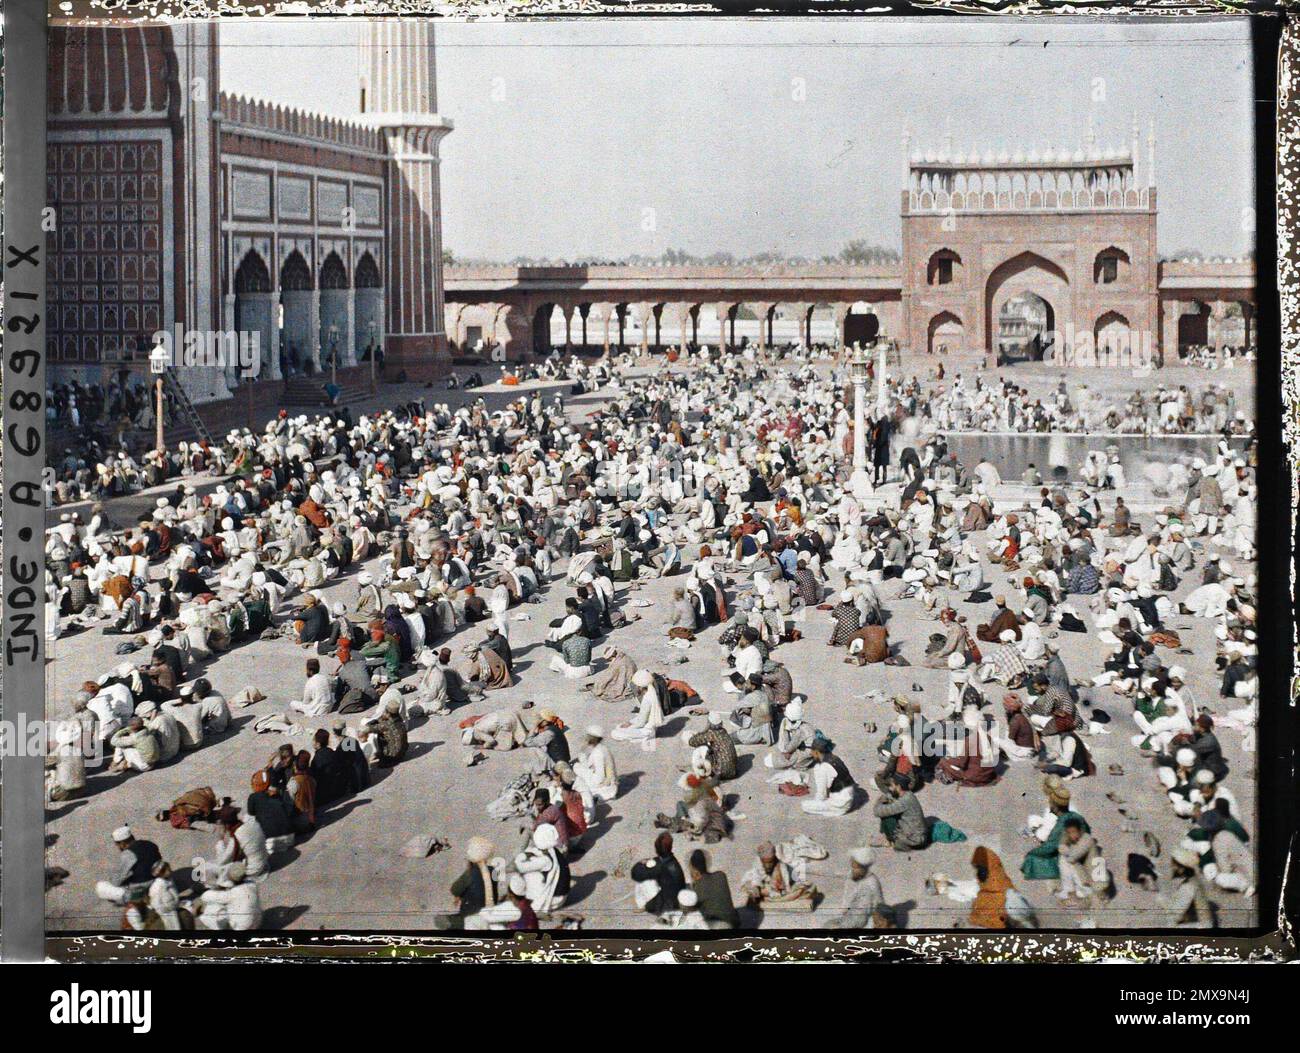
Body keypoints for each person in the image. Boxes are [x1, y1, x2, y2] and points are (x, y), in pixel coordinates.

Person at [968, 846, 1037, 929]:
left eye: (981, 867)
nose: (978, 870)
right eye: (978, 867)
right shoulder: (983, 888)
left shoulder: (1009, 895)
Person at [94, 825, 162, 906]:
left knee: (101, 887)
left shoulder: (128, 854)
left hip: (145, 887)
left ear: (122, 843)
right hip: (160, 879)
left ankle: (138, 899)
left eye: (117, 844)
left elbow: (117, 879)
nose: (118, 847)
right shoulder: (149, 843)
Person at [824, 847, 889, 928]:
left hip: (859, 919)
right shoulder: (854, 876)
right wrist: (845, 908)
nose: (853, 870)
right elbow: (848, 893)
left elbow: (880, 903)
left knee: (830, 927)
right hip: (850, 913)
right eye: (852, 867)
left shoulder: (872, 882)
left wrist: (879, 920)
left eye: (856, 868)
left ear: (864, 868)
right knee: (829, 924)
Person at [630, 832, 685, 918]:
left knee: (642, 881)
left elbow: (635, 874)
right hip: (678, 894)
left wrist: (641, 863)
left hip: (669, 902)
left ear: (656, 849)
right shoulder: (672, 861)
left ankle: (643, 905)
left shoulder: (659, 864)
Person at [688, 849, 740, 929]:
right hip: (733, 923)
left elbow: (691, 908)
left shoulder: (698, 889)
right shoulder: (721, 876)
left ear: (695, 871)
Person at [873, 780, 928, 851]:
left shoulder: (904, 801)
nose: (890, 788)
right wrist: (887, 797)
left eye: (892, 786)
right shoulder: (908, 794)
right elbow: (890, 795)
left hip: (914, 841)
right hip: (919, 836)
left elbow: (877, 812)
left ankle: (891, 841)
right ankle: (889, 838)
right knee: (890, 809)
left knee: (887, 817)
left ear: (898, 787)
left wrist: (879, 801)